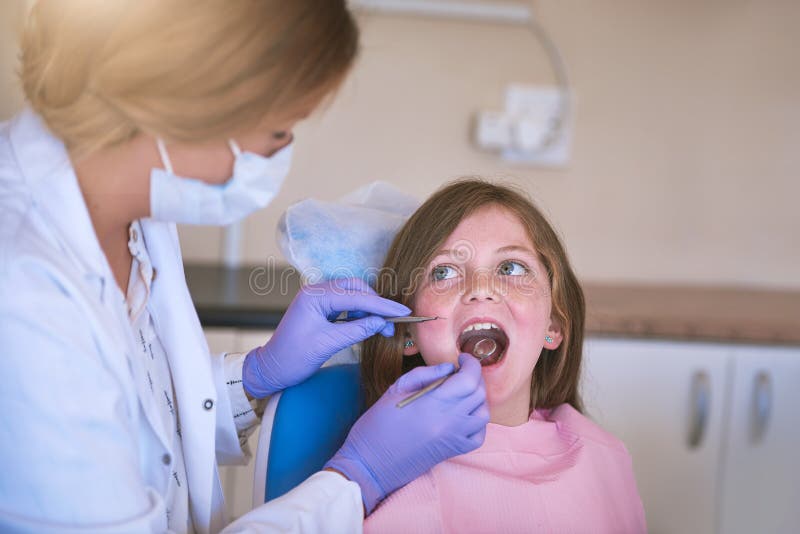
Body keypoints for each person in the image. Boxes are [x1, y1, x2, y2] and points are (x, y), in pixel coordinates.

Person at [0, 2, 488, 532]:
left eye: (512, 269)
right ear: (187, 101)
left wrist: (256, 375)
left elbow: (143, 422)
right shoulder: (23, 298)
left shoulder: (133, 212)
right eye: (278, 132)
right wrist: (360, 477)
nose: (483, 292)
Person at [360, 179, 647, 532]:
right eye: (443, 272)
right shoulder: (400, 494)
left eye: (510, 268)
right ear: (407, 333)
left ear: (554, 325)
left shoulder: (606, 457)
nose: (481, 289)